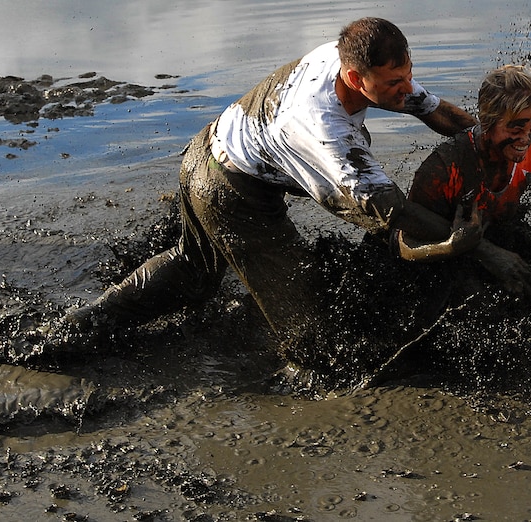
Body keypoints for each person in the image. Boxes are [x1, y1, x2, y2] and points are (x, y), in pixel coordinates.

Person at [59, 17, 481, 351]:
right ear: (355, 79)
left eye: (408, 74)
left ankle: (81, 324)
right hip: (229, 189)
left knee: (194, 271)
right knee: (312, 333)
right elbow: (389, 210)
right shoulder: (323, 127)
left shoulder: (349, 59)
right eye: (394, 83)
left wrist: (487, 138)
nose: (405, 88)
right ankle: (73, 336)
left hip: (209, 149)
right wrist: (477, 246)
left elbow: (432, 109)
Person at [396, 64, 531, 297]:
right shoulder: (444, 169)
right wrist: (474, 250)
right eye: (516, 128)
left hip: (496, 236)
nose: (526, 139)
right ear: (487, 122)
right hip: (443, 258)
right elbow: (403, 242)